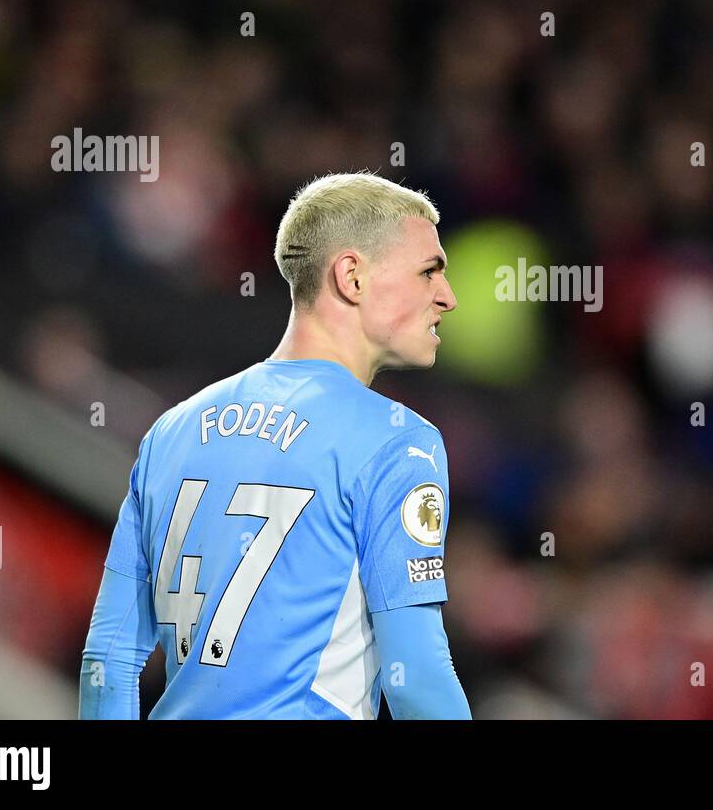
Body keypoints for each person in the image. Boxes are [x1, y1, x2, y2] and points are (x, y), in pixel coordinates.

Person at [79, 171, 469, 719]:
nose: (447, 297)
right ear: (352, 277)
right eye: (429, 271)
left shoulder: (172, 430)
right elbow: (417, 678)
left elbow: (110, 659)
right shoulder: (399, 444)